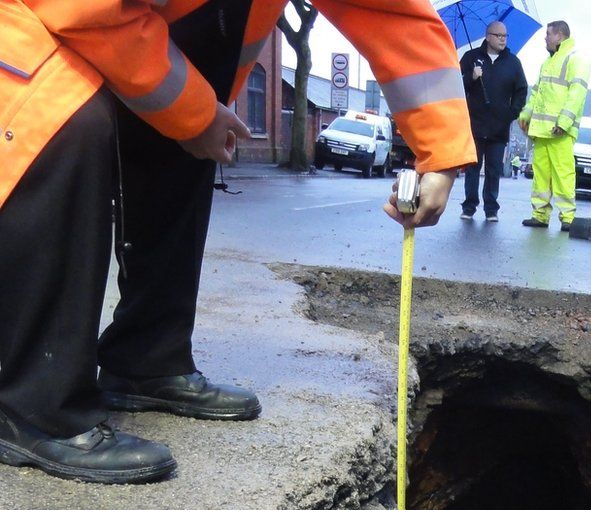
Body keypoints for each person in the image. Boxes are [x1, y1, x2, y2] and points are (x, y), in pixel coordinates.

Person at [0, 0, 474, 485]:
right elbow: (80, 11)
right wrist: (195, 112)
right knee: (67, 120)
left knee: (191, 116)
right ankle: (37, 402)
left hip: (146, 31)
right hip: (34, 20)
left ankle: (147, 360)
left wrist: (440, 152)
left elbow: (393, 15)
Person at [518, 20, 590, 231]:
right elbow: (536, 95)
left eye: (548, 34)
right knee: (541, 174)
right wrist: (526, 115)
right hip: (542, 131)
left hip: (560, 131)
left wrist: (564, 123)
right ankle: (540, 214)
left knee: (563, 173)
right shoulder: (547, 63)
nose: (545, 39)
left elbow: (577, 95)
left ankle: (568, 218)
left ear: (560, 35)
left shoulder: (576, 60)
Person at [458, 21, 527, 222]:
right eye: (498, 35)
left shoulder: (513, 63)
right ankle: (469, 206)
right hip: (475, 124)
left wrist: (511, 113)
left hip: (499, 126)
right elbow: (457, 86)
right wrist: (471, 77)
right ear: (488, 37)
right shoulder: (471, 58)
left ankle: (491, 209)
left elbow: (521, 90)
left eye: (505, 36)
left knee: (493, 169)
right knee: (472, 167)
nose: (503, 39)